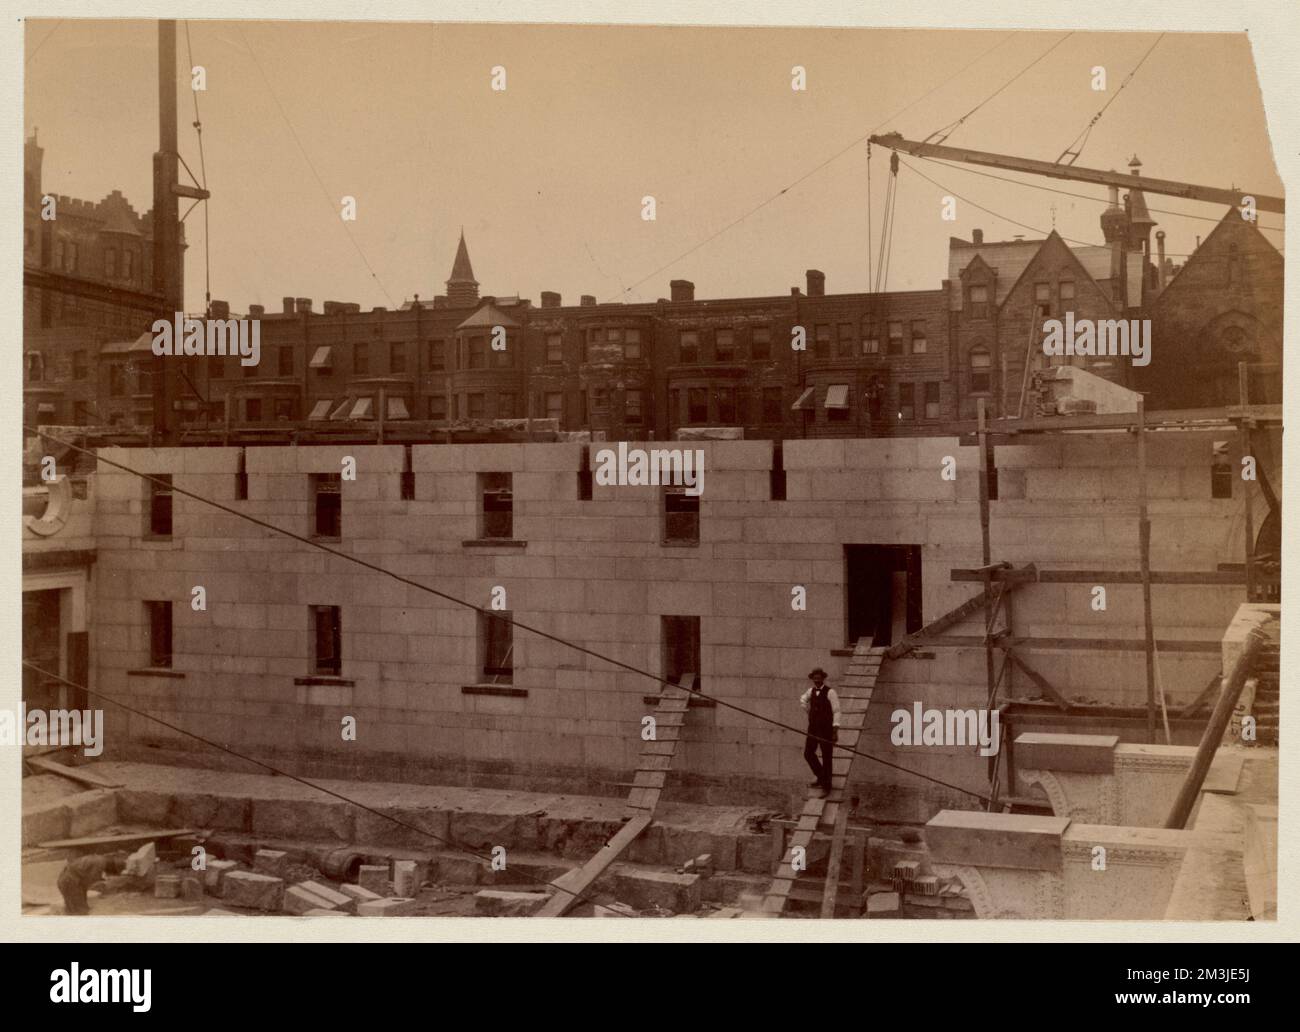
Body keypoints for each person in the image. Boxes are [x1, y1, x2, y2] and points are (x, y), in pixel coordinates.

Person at [800, 668, 841, 795]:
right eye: (815, 678)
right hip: (813, 728)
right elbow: (802, 700)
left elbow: (837, 711)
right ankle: (821, 777)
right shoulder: (810, 691)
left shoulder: (831, 692)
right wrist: (809, 711)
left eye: (819, 678)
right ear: (812, 679)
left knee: (826, 756)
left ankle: (827, 786)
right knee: (808, 753)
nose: (817, 680)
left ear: (823, 679)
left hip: (826, 729)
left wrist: (835, 731)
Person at [57, 852, 126, 915]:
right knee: (80, 910)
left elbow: (88, 879)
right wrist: (105, 886)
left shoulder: (99, 858)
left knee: (73, 909)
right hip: (70, 881)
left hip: (68, 880)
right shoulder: (100, 863)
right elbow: (92, 882)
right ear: (112, 867)